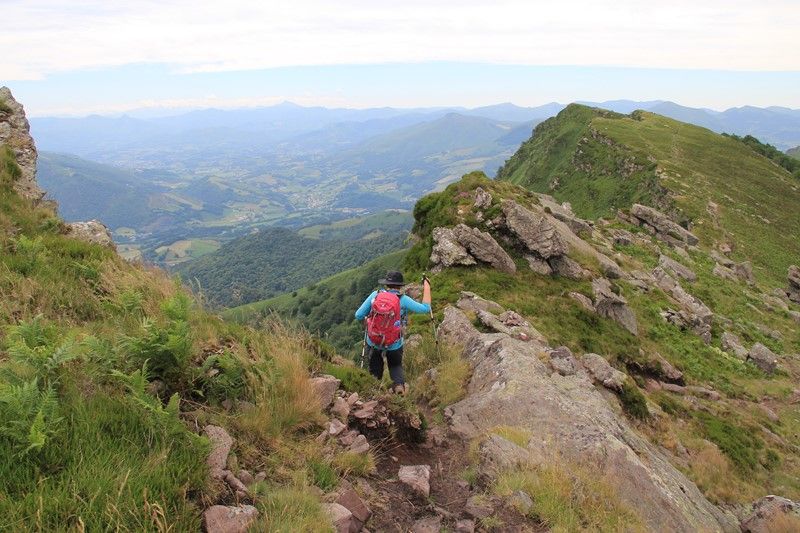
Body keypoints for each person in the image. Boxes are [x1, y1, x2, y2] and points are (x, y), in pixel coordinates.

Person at [355, 270, 431, 393]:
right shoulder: (403, 299)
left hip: (374, 339)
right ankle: (398, 386)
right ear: (400, 286)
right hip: (394, 342)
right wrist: (427, 286)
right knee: (395, 365)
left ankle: (375, 391)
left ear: (386, 284)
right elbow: (425, 309)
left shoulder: (376, 295)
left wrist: (367, 320)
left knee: (375, 368)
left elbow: (358, 315)